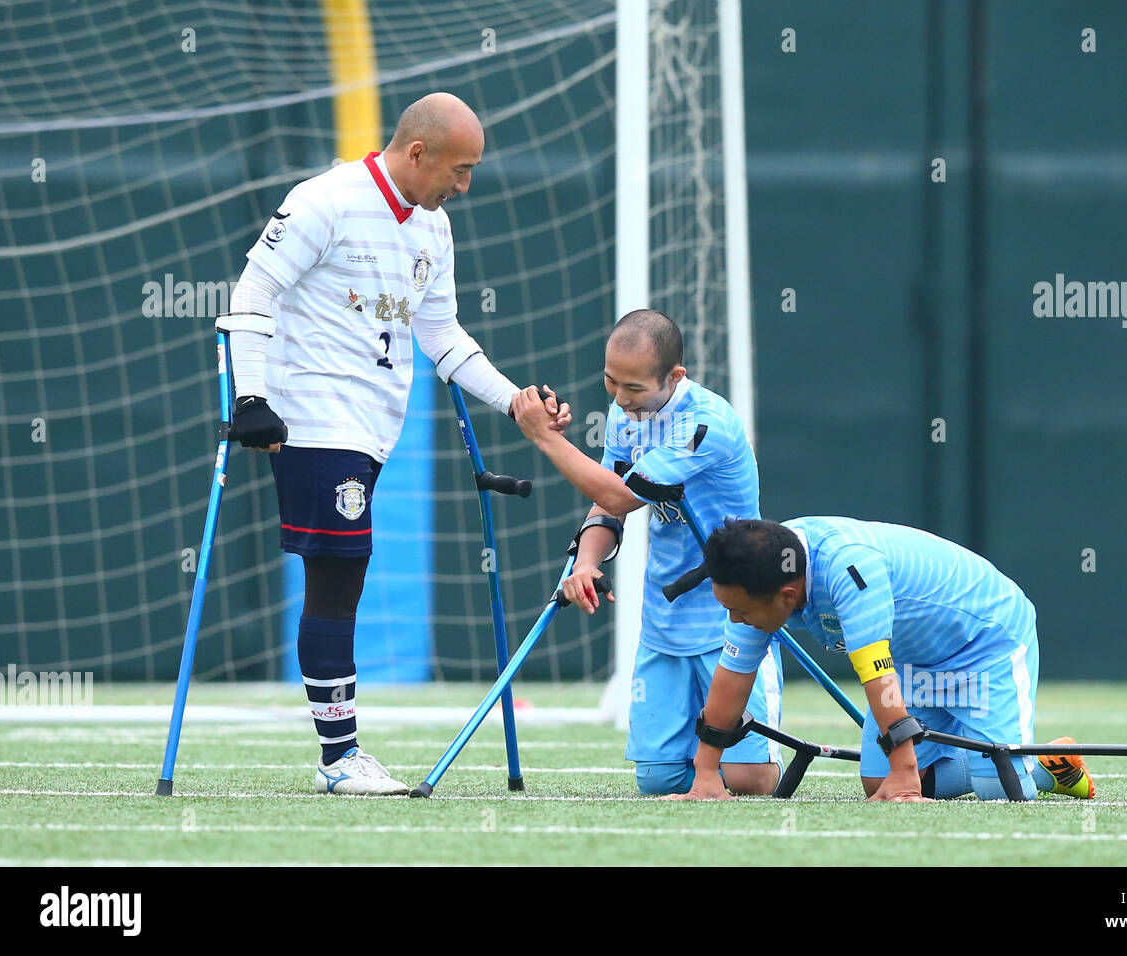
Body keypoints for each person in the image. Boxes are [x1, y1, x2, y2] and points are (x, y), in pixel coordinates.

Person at [215, 92, 568, 795]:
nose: (465, 186)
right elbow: (252, 290)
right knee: (339, 574)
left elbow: (442, 337)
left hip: (374, 426)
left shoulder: (432, 229)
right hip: (314, 417)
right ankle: (339, 759)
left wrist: (514, 402)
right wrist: (250, 399)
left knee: (344, 574)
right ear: (417, 153)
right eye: (460, 169)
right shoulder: (326, 200)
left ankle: (338, 756)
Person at [510, 310, 783, 795]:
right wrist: (586, 562)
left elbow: (621, 494)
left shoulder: (705, 425)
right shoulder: (624, 413)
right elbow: (607, 507)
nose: (618, 398)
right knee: (657, 783)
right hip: (665, 615)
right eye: (610, 383)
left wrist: (545, 437)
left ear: (675, 376)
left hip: (732, 613)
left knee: (749, 781)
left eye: (633, 388)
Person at [667, 517, 1095, 802]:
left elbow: (875, 672)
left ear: (788, 596)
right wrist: (706, 774)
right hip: (911, 656)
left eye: (739, 612)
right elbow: (732, 676)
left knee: (998, 792)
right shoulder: (759, 569)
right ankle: (991, 758)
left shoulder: (851, 571)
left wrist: (907, 772)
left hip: (984, 644)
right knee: (878, 782)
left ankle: (1044, 766)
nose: (734, 619)